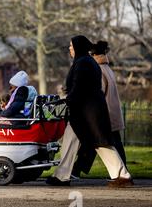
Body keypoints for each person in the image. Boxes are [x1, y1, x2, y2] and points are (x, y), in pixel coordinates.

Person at [46, 35, 133, 188]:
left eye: (71, 46)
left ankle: (122, 176)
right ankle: (61, 175)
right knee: (71, 141)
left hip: (89, 114)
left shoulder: (83, 63)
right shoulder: (87, 62)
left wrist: (67, 100)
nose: (69, 49)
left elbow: (79, 87)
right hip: (85, 112)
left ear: (78, 47)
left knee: (101, 144)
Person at [72, 41, 127, 177]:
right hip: (112, 112)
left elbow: (97, 93)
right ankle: (77, 170)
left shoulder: (98, 70)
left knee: (95, 143)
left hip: (104, 113)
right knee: (102, 143)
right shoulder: (107, 68)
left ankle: (77, 170)